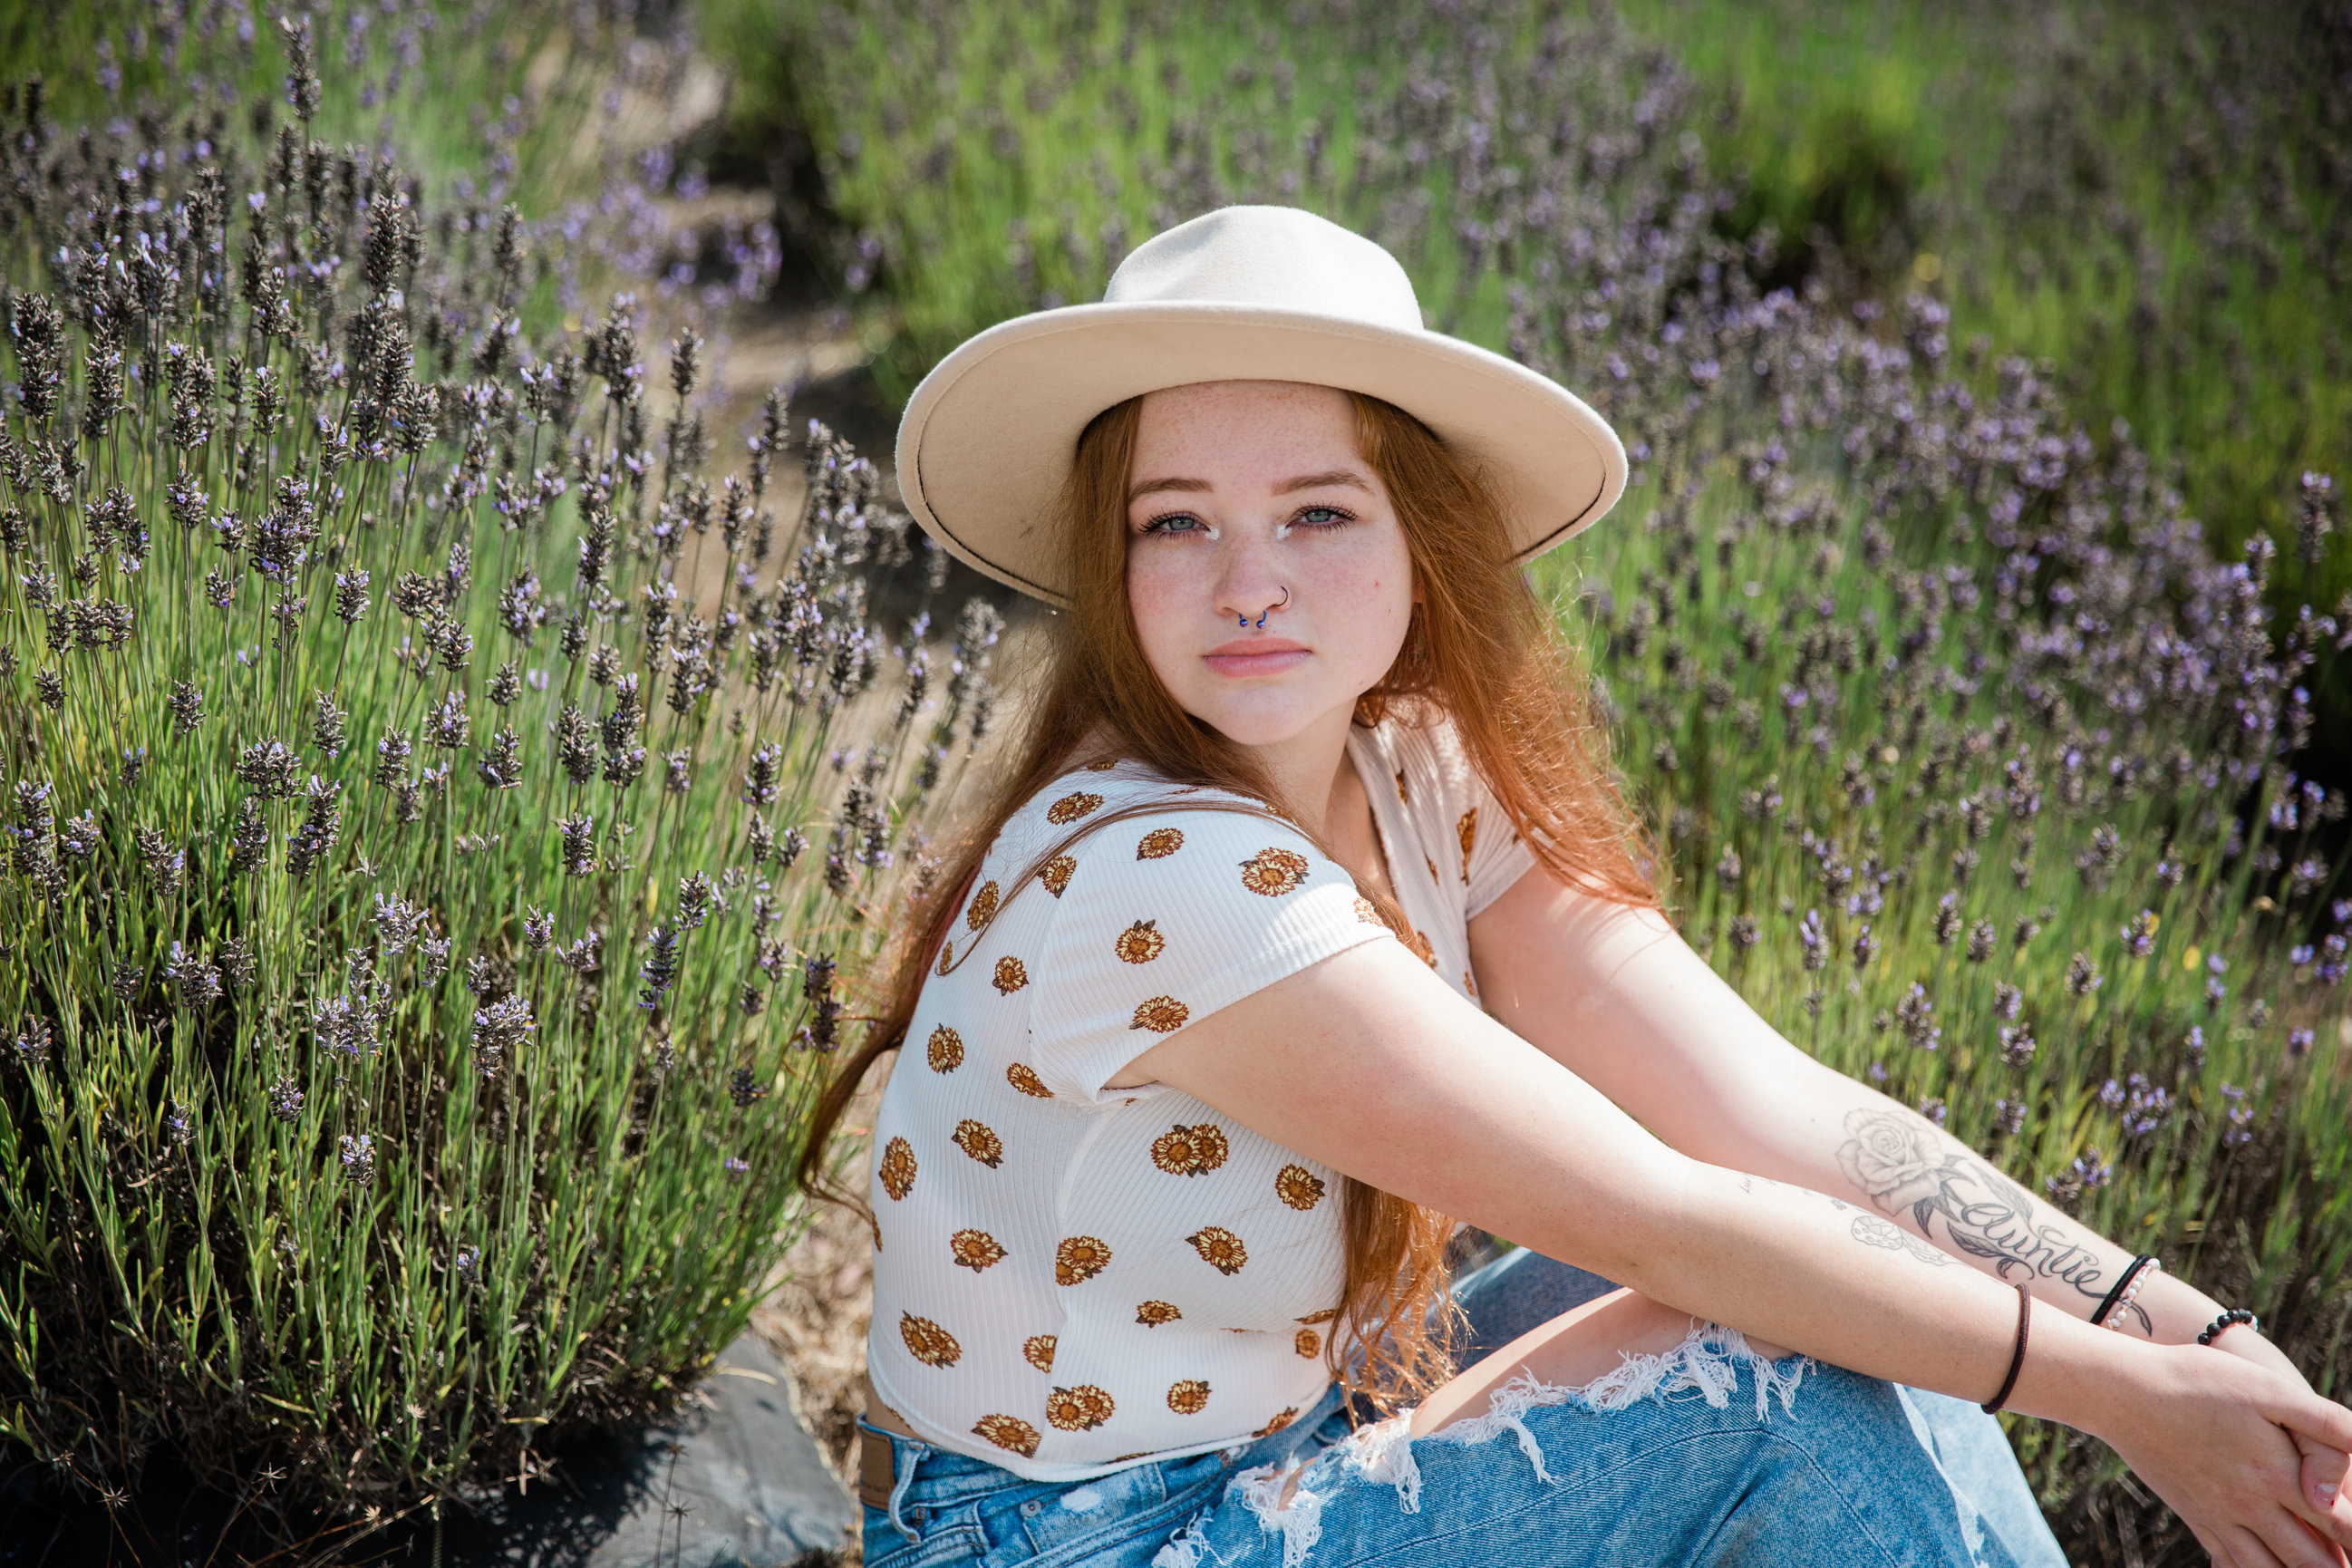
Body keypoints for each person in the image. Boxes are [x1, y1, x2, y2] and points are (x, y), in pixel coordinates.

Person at [798, 204, 2352, 1568]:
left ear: (1425, 541)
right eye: (1176, 520)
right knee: (1782, 1366)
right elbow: (1672, 1221)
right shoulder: (1176, 878)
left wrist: (2191, 1335)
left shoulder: (1410, 769)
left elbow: (1774, 1112)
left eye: (1318, 512)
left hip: (1292, 1442)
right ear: (1117, 563)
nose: (1247, 579)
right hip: (1089, 1545)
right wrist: (2130, 1401)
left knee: (1859, 1287)